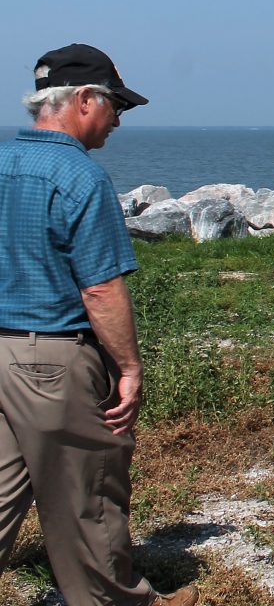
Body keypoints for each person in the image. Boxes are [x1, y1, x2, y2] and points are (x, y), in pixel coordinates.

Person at [0, 43, 198, 606]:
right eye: (115, 105)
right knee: (89, 495)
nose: (118, 120)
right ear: (83, 100)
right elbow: (100, 287)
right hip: (52, 361)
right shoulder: (79, 177)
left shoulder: (2, 164)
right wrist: (129, 368)